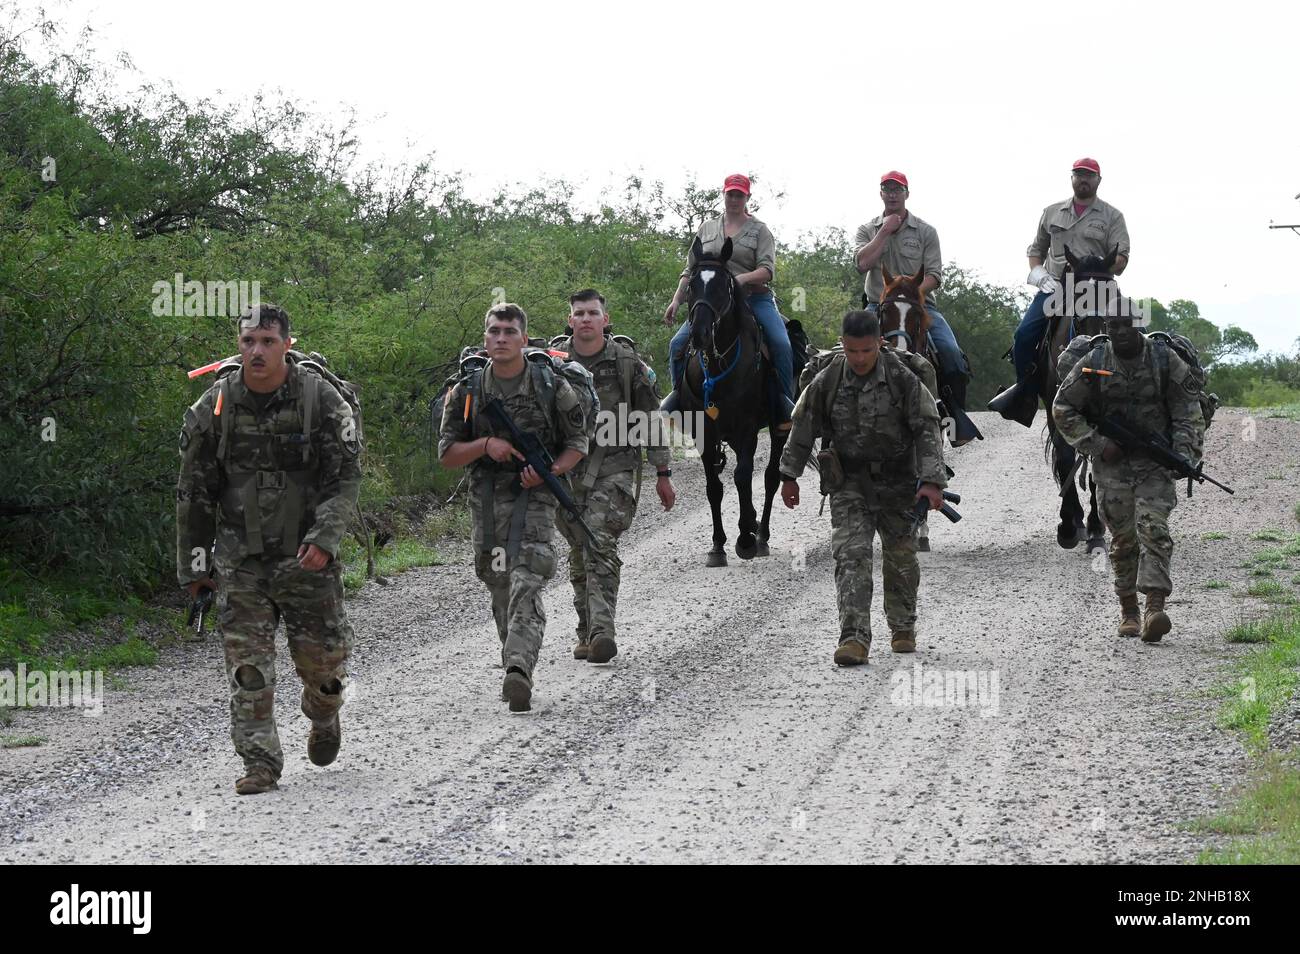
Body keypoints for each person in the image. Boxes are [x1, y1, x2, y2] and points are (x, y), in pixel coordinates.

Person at [176, 303, 362, 795]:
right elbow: (193, 494)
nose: (256, 351)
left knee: (326, 672)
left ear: (287, 345)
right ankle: (260, 763)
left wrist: (324, 539)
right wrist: (196, 568)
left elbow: (343, 480)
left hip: (307, 559)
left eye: (267, 341)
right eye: (248, 341)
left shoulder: (319, 400)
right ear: (238, 345)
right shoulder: (213, 409)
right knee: (248, 669)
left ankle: (324, 715)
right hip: (241, 562)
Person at [438, 303, 589, 711]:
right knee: (499, 582)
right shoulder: (468, 391)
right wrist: (486, 446)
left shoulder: (549, 385)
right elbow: (448, 453)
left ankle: (519, 668)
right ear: (485, 340)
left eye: (509, 332)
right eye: (494, 332)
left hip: (536, 496)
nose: (501, 339)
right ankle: (514, 657)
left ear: (524, 338)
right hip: (486, 498)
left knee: (528, 577)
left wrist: (549, 471)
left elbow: (578, 443)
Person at [778, 310, 947, 665]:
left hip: (900, 479)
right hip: (849, 480)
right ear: (843, 346)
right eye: (852, 351)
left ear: (879, 345)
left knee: (901, 555)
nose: (859, 359)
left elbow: (927, 428)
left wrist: (931, 481)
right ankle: (853, 637)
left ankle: (902, 626)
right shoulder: (828, 379)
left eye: (866, 352)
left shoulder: (902, 378)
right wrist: (789, 475)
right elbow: (803, 424)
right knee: (850, 555)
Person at [1051, 306, 1200, 641]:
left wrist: (1183, 453)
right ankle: (1129, 610)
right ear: (1106, 327)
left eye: (1127, 325)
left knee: (1154, 529)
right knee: (1122, 540)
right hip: (1112, 466)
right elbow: (1062, 406)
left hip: (1154, 463)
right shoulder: (1095, 359)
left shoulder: (1163, 359)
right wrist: (1097, 443)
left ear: (1139, 326)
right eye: (1113, 326)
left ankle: (1155, 608)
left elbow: (1187, 408)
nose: (1120, 332)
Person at [551, 289, 677, 662]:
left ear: (606, 320)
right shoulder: (552, 364)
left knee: (599, 541)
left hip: (616, 467)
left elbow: (650, 419)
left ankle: (603, 630)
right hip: (566, 471)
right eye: (579, 313)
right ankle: (585, 629)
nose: (586, 319)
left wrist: (663, 472)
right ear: (570, 320)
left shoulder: (627, 363)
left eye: (593, 313)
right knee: (578, 549)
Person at [661, 173, 795, 427]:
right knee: (677, 344)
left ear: (747, 197)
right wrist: (676, 300)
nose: (734, 199)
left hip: (754, 298)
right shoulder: (707, 228)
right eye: (730, 194)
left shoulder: (760, 230)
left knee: (781, 343)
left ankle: (783, 403)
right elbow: (690, 270)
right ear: (723, 195)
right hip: (713, 301)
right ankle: (679, 397)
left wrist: (741, 280)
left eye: (739, 195)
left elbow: (768, 270)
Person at [1006, 157, 1131, 399]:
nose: (1083, 179)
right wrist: (1039, 274)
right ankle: (1024, 394)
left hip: (1099, 286)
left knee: (1136, 329)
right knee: (1023, 336)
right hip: (1056, 287)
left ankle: (1142, 391)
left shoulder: (1112, 216)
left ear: (1098, 180)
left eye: (1089, 175)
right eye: (1079, 174)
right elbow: (1036, 251)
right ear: (1072, 178)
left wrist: (1097, 266)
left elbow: (1122, 259)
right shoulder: (1052, 212)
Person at [854, 170, 972, 421]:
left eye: (897, 189)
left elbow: (935, 275)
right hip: (878, 307)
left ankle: (955, 420)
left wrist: (908, 297)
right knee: (844, 357)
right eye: (887, 189)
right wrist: (884, 231)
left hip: (921, 306)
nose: (892, 194)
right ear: (880, 193)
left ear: (907, 194)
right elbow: (862, 264)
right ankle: (836, 426)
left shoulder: (925, 231)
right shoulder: (867, 230)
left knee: (951, 355)